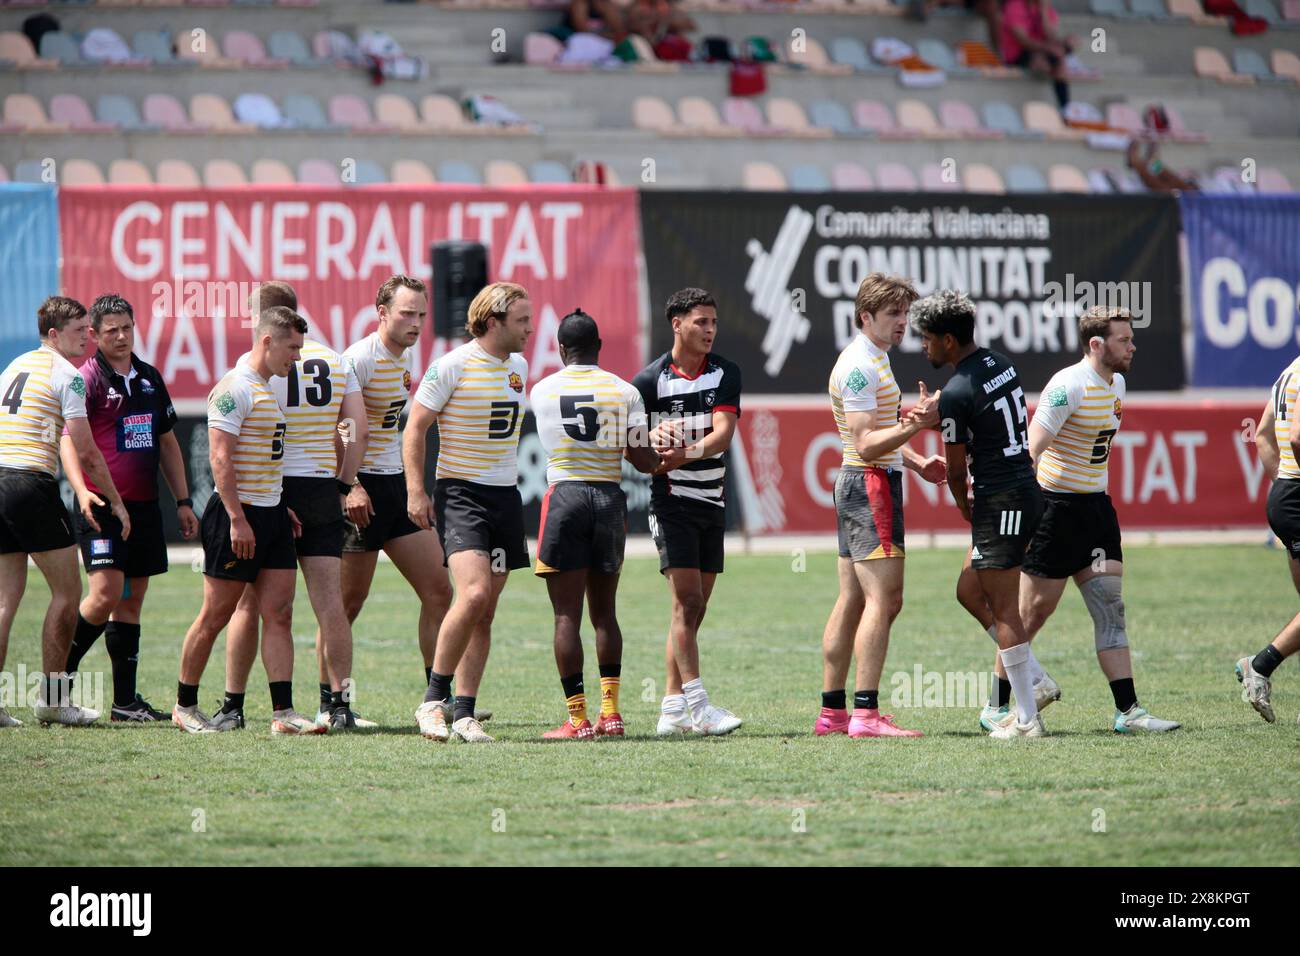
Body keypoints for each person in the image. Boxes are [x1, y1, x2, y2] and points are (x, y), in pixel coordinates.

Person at [216, 281, 372, 732]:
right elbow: (356, 429)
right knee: (330, 604)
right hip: (322, 490)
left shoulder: (256, 368)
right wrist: (345, 484)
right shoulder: (335, 359)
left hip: (272, 492)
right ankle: (338, 706)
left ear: (261, 319)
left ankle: (234, 705)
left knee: (251, 606)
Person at [1017, 307, 1179, 733]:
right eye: (1124, 340)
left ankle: (1129, 712)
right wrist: (1030, 515)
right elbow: (1031, 451)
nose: (1132, 346)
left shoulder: (1118, 383)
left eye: (1130, 338)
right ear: (1096, 344)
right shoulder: (1066, 386)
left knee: (1111, 608)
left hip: (1096, 514)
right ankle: (1000, 706)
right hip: (1055, 514)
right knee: (1030, 617)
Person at [174, 306, 319, 735]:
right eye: (292, 348)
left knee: (280, 612)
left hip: (272, 514)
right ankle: (184, 706)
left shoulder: (266, 386)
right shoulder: (233, 387)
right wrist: (238, 518)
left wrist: (277, 507)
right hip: (237, 517)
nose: (297, 357)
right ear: (267, 341)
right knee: (216, 614)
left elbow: (263, 457)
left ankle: (283, 713)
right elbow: (220, 458)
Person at [912, 290, 1050, 738]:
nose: (924, 347)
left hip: (1000, 500)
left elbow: (954, 470)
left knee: (1006, 609)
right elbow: (981, 417)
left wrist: (961, 504)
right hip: (1025, 489)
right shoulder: (1000, 364)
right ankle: (1036, 677)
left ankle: (1027, 717)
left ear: (949, 340)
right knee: (969, 590)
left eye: (928, 339)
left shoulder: (955, 391)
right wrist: (938, 415)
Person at [58, 294, 197, 723]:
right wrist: (83, 492)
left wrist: (184, 501)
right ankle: (56, 682)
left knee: (131, 599)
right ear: (95, 335)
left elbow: (168, 442)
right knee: (103, 593)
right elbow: (67, 440)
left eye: (127, 327)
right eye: (111, 329)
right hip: (101, 505)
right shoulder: (86, 379)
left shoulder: (150, 378)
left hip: (143, 508)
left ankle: (125, 702)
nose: (120, 336)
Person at [817, 274, 945, 739]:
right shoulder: (860, 366)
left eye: (906, 314)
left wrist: (914, 463)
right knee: (885, 599)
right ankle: (866, 714)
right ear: (865, 316)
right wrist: (917, 425)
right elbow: (867, 443)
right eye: (894, 314)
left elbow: (877, 438)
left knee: (854, 598)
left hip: (864, 482)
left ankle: (833, 713)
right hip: (869, 485)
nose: (903, 323)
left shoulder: (874, 359)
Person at [406, 281, 532, 744]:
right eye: (522, 320)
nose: (530, 329)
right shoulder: (452, 366)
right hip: (461, 495)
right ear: (493, 321)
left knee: (486, 612)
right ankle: (432, 701)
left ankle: (464, 712)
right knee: (473, 594)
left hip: (505, 499)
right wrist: (416, 492)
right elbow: (415, 429)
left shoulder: (519, 366)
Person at [0, 296, 129, 728]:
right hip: (29, 485)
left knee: (4, 601)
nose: (88, 338)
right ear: (54, 335)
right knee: (68, 594)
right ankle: (54, 701)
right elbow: (87, 451)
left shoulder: (15, 366)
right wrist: (115, 500)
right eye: (80, 331)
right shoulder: (69, 376)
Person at [530, 309, 659, 739]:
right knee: (604, 613)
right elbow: (642, 461)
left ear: (561, 349)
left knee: (565, 615)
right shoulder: (624, 391)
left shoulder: (542, 390)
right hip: (608, 498)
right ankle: (612, 713)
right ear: (599, 347)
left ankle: (578, 720)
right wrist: (668, 445)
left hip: (565, 495)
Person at [340, 275, 457, 715]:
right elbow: (338, 426)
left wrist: (412, 488)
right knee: (346, 606)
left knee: (439, 591)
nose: (416, 322)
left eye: (422, 314)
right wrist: (349, 485)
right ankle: (334, 704)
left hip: (393, 487)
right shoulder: (358, 360)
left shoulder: (405, 357)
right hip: (361, 488)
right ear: (382, 313)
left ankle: (438, 698)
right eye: (407, 312)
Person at [632, 288, 743, 736]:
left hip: (711, 500)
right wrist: (654, 439)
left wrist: (686, 452)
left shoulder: (725, 373)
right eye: (701, 322)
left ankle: (671, 707)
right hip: (671, 501)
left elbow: (722, 436)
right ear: (676, 324)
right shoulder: (647, 381)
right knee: (687, 601)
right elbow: (632, 447)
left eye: (714, 322)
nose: (710, 330)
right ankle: (699, 706)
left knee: (692, 612)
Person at [1237, 341, 1300, 723]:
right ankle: (1259, 666)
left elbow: (1262, 434)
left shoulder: (1288, 371)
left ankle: (1259, 667)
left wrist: (1282, 484)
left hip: (1287, 495)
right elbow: (1296, 438)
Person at [1000, 0, 1075, 109]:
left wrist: (1044, 12)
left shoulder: (1046, 8)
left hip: (1042, 51)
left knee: (1061, 59)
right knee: (1045, 60)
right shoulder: (1015, 6)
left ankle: (1066, 110)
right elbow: (1023, 40)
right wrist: (1049, 48)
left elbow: (1052, 37)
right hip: (1017, 55)